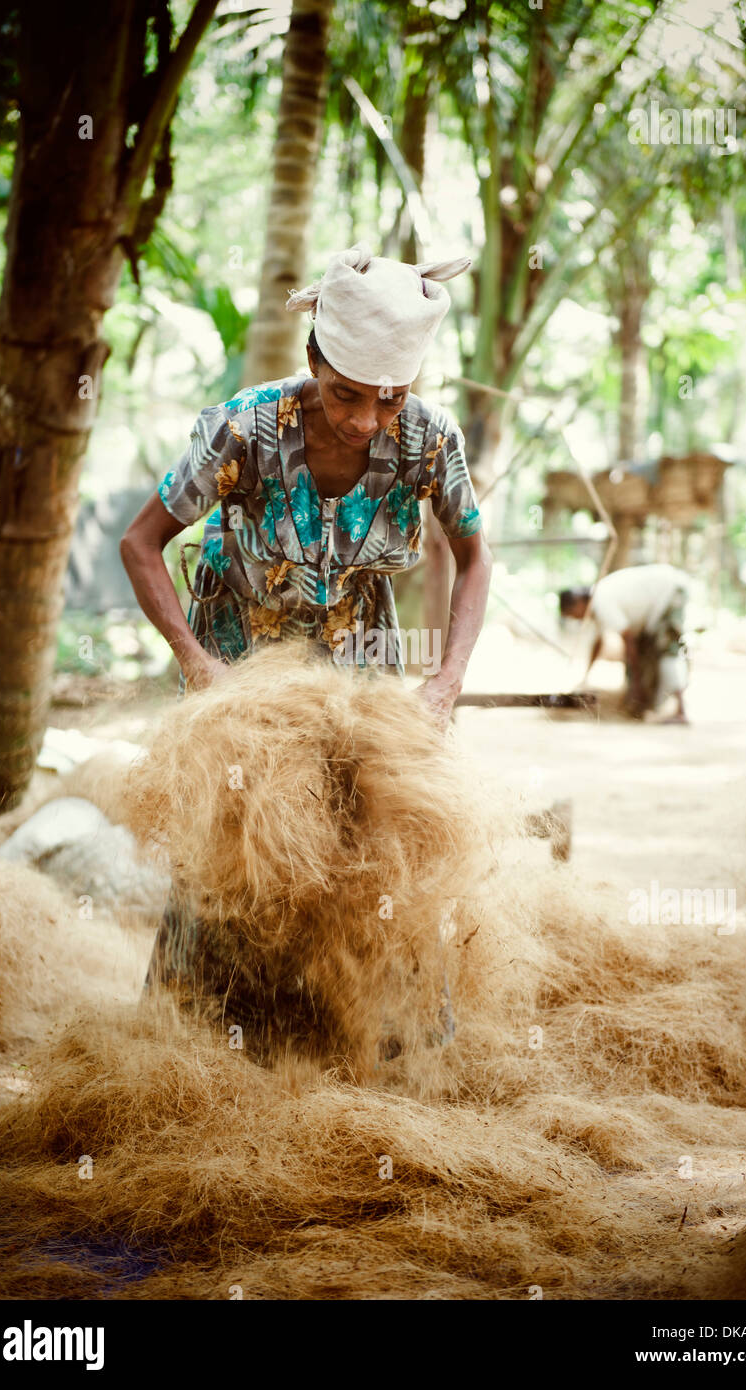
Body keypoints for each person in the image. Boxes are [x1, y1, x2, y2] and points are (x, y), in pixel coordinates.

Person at [119, 242, 493, 1007]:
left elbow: (474, 558)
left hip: (361, 659)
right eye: (344, 395)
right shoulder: (243, 429)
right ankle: (197, 1026)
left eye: (390, 399)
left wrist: (446, 681)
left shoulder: (429, 439)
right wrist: (197, 666)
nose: (366, 421)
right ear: (314, 359)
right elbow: (140, 543)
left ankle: (379, 1029)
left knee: (376, 838)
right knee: (233, 841)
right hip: (238, 661)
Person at [559, 562, 690, 722]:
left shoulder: (602, 602)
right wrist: (586, 677)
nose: (576, 619)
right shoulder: (598, 604)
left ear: (579, 603)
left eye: (572, 614)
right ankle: (644, 704)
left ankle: (681, 712)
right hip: (656, 607)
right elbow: (598, 643)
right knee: (644, 656)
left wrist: (635, 686)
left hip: (670, 591)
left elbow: (628, 641)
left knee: (668, 650)